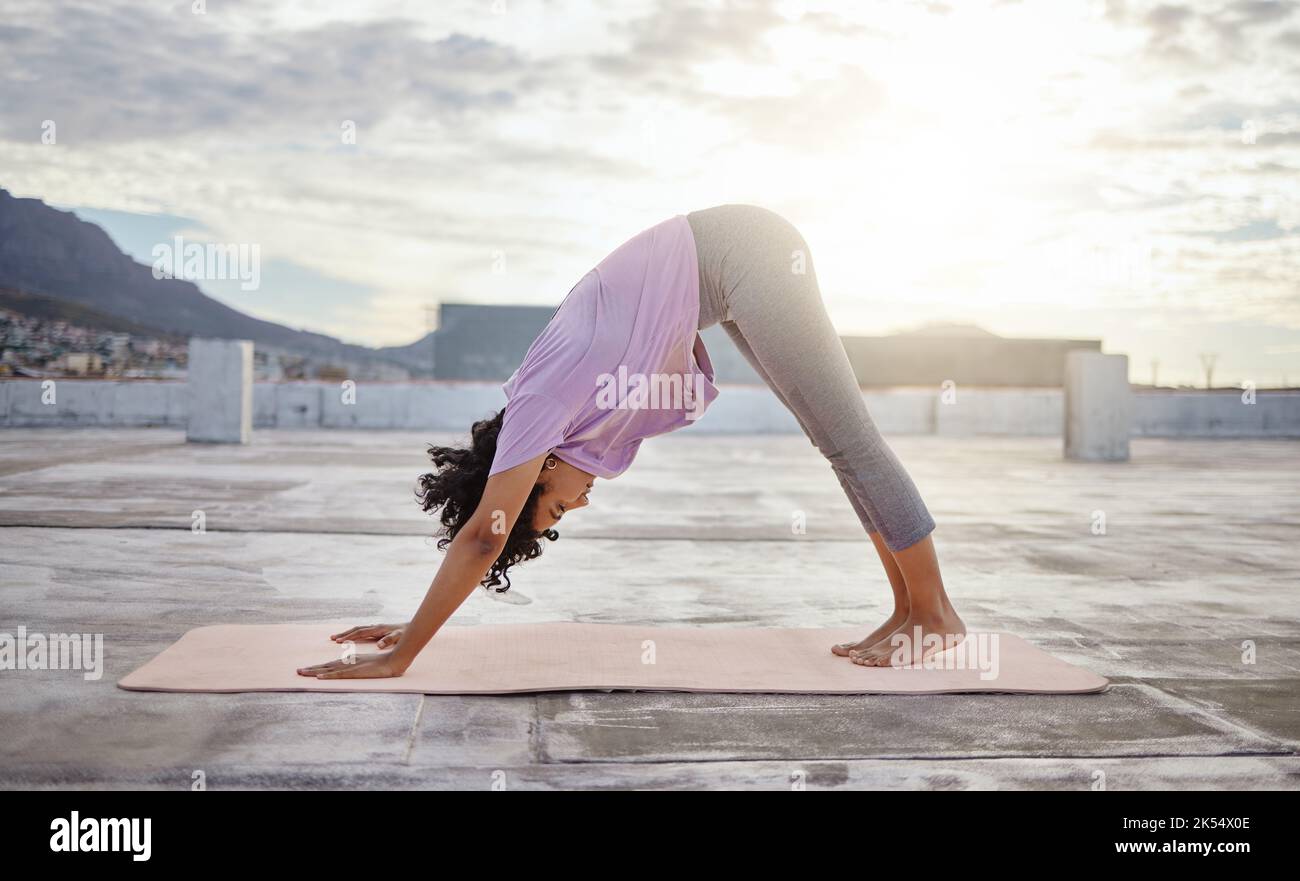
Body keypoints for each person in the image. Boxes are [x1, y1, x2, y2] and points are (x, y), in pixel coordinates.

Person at [297, 205, 963, 680]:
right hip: (732, 262)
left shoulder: (542, 405)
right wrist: (416, 623)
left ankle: (934, 615)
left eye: (557, 507)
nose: (580, 504)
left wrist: (407, 650)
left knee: (849, 440)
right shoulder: (546, 408)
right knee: (836, 443)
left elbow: (482, 539)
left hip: (748, 252)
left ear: (539, 471)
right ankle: (909, 608)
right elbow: (486, 531)